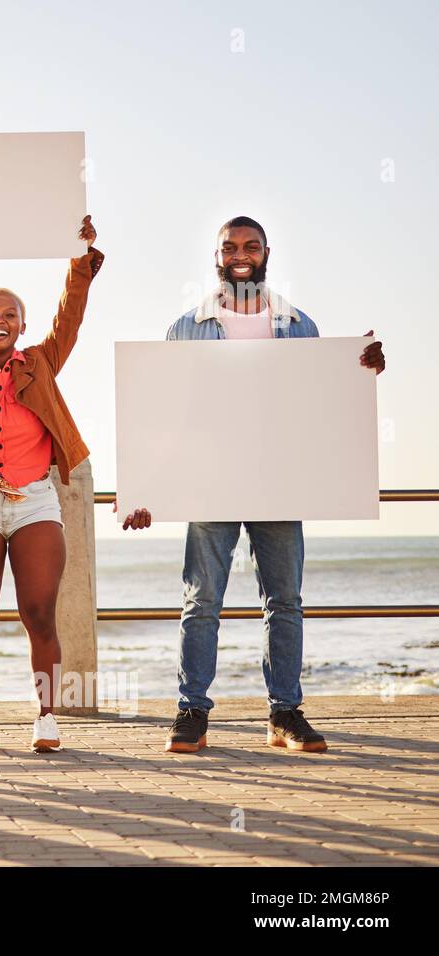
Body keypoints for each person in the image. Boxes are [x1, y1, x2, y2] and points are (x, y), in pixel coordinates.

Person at [0, 216, 150, 753]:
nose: (0, 319)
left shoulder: (41, 362)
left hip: (35, 497)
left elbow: (70, 319)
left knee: (39, 613)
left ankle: (46, 716)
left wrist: (80, 261)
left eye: (9, 314)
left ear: (20, 324)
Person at [137, 215, 385, 754]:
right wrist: (146, 488)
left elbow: (322, 405)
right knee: (201, 600)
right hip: (211, 483)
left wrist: (360, 371)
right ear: (217, 255)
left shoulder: (299, 325)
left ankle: (284, 715)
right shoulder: (186, 328)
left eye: (251, 246)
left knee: (286, 600)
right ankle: (192, 712)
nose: (240, 255)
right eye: (230, 247)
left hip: (280, 481)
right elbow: (166, 416)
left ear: (267, 252)